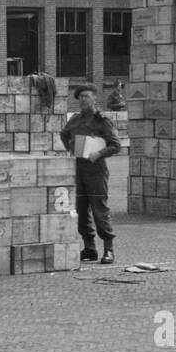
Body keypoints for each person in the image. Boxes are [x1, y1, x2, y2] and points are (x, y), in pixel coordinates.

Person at [60, 84, 122, 264]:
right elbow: (64, 134)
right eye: (80, 97)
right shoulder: (75, 119)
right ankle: (89, 248)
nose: (83, 100)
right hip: (78, 170)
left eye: (87, 96)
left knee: (99, 210)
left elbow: (115, 145)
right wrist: (70, 148)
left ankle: (109, 249)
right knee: (80, 210)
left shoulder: (102, 120)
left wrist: (99, 154)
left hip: (96, 171)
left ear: (95, 99)